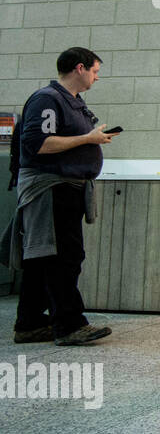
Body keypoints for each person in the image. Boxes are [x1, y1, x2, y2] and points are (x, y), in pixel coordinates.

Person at [3, 48, 117, 345]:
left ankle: (28, 323)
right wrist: (88, 139)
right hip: (51, 188)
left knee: (43, 258)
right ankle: (69, 324)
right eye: (94, 71)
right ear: (79, 68)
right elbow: (38, 144)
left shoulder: (72, 102)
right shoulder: (48, 99)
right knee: (63, 256)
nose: (97, 77)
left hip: (67, 187)